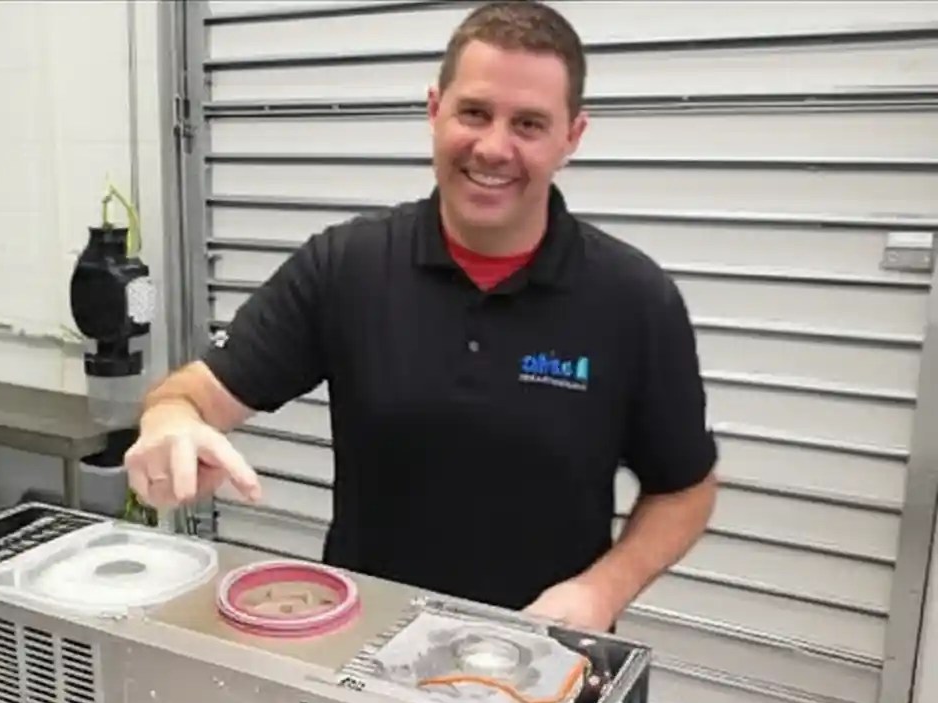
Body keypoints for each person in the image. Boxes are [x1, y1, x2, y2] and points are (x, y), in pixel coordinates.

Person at [124, 0, 718, 633]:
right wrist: (168, 421)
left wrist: (601, 593)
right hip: (362, 662)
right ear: (434, 109)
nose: (494, 147)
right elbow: (196, 394)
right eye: (474, 112)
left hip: (543, 666)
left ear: (571, 137)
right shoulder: (346, 267)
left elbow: (685, 489)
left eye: (529, 124)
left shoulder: (633, 300)